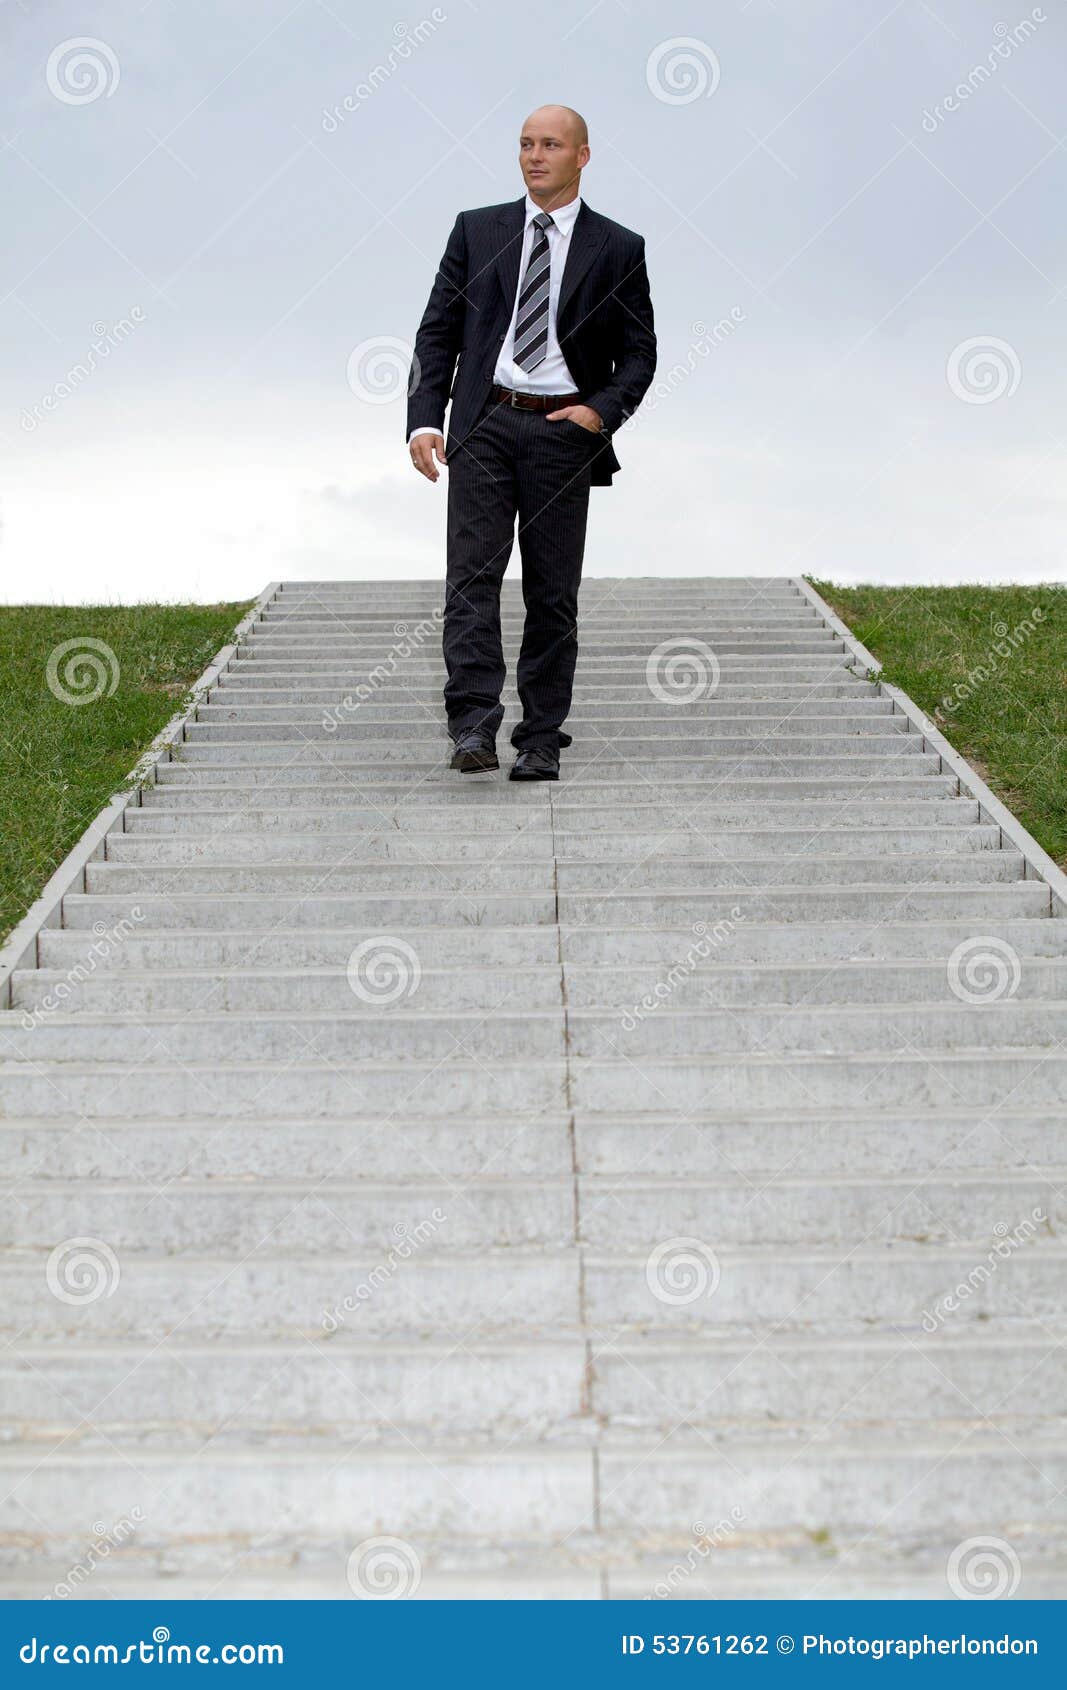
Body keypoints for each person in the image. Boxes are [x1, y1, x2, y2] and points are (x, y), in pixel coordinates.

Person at [406, 104, 657, 780]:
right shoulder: (475, 230)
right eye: (524, 144)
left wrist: (598, 413)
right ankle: (471, 729)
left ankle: (540, 736)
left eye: (549, 145)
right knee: (471, 581)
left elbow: (639, 355)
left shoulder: (617, 247)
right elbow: (437, 332)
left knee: (551, 592)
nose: (534, 156)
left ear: (581, 156)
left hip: (560, 433)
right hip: (483, 423)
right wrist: (425, 419)